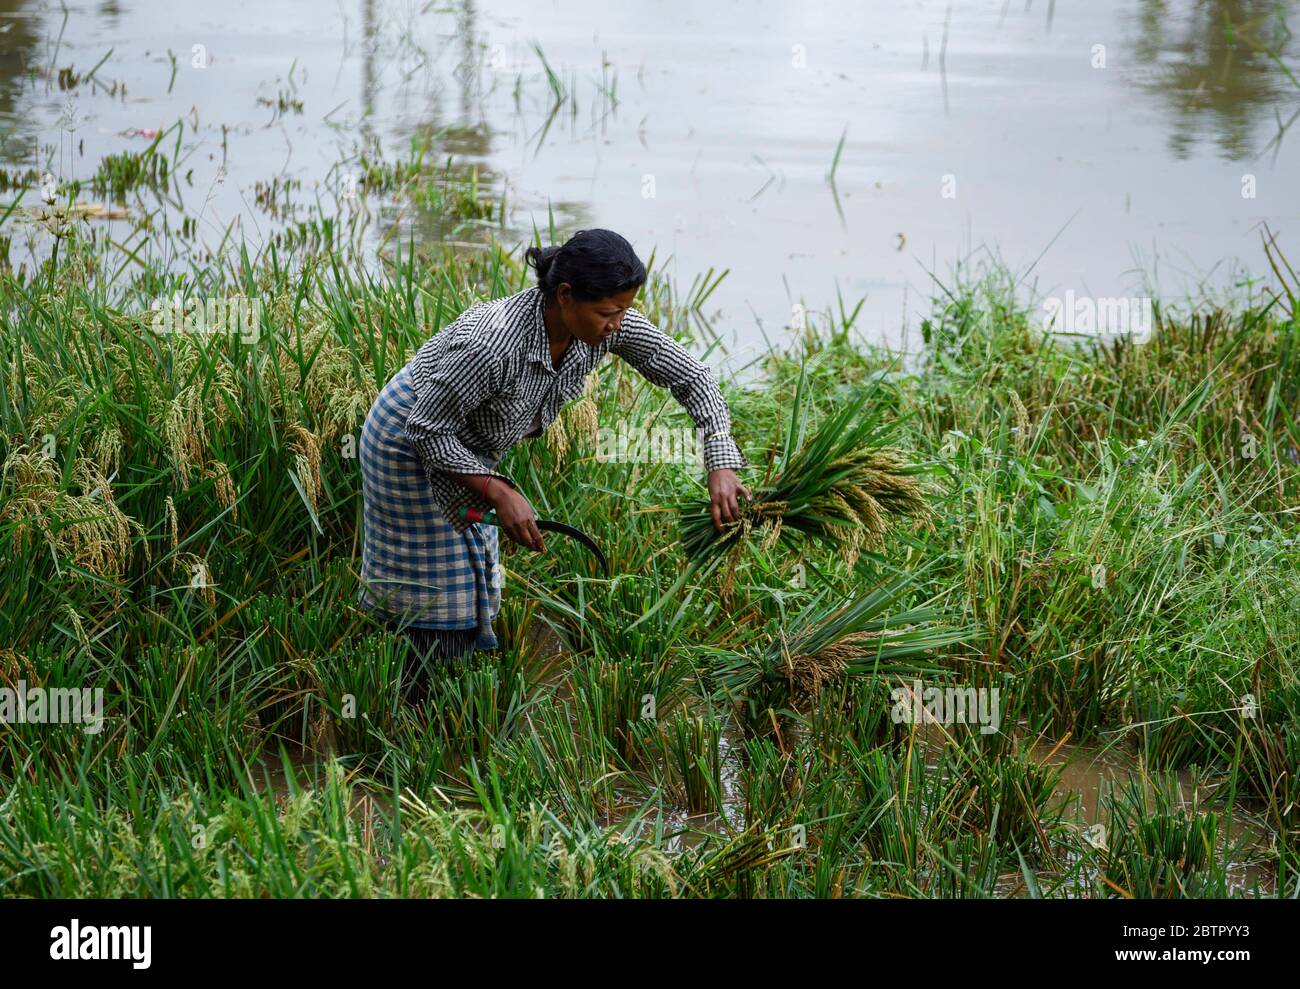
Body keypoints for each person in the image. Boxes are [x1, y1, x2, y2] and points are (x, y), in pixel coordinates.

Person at [357, 228, 751, 700]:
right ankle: (410, 699)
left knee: (467, 577)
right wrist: (500, 491)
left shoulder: (600, 327)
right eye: (608, 312)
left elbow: (691, 374)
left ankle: (441, 689)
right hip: (408, 438)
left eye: (624, 310)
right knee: (432, 591)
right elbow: (426, 429)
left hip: (466, 446)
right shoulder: (494, 343)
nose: (618, 325)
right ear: (565, 296)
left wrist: (719, 459)